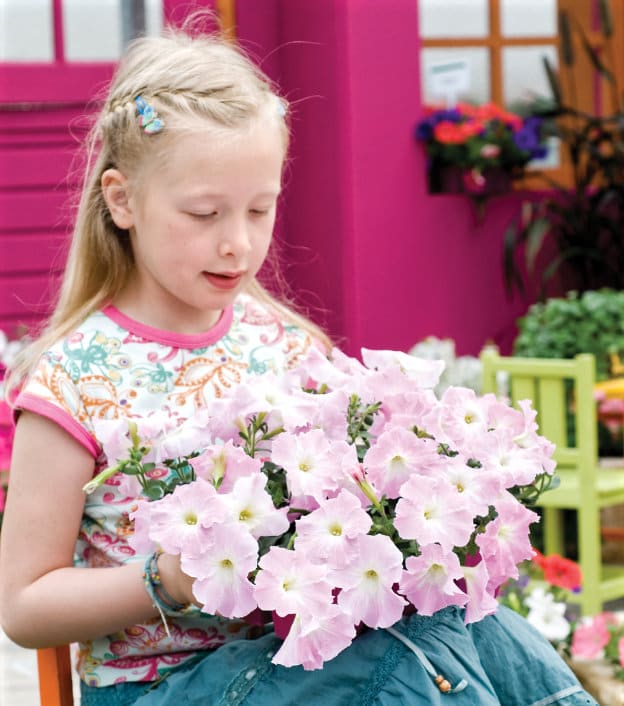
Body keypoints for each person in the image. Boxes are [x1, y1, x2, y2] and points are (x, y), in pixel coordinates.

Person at [0, 17, 597, 706]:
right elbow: (22, 604)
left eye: (260, 210)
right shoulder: (76, 379)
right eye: (204, 214)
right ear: (121, 200)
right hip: (166, 687)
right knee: (403, 667)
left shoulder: (282, 342)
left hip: (302, 662)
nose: (238, 244)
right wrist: (165, 580)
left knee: (479, 629)